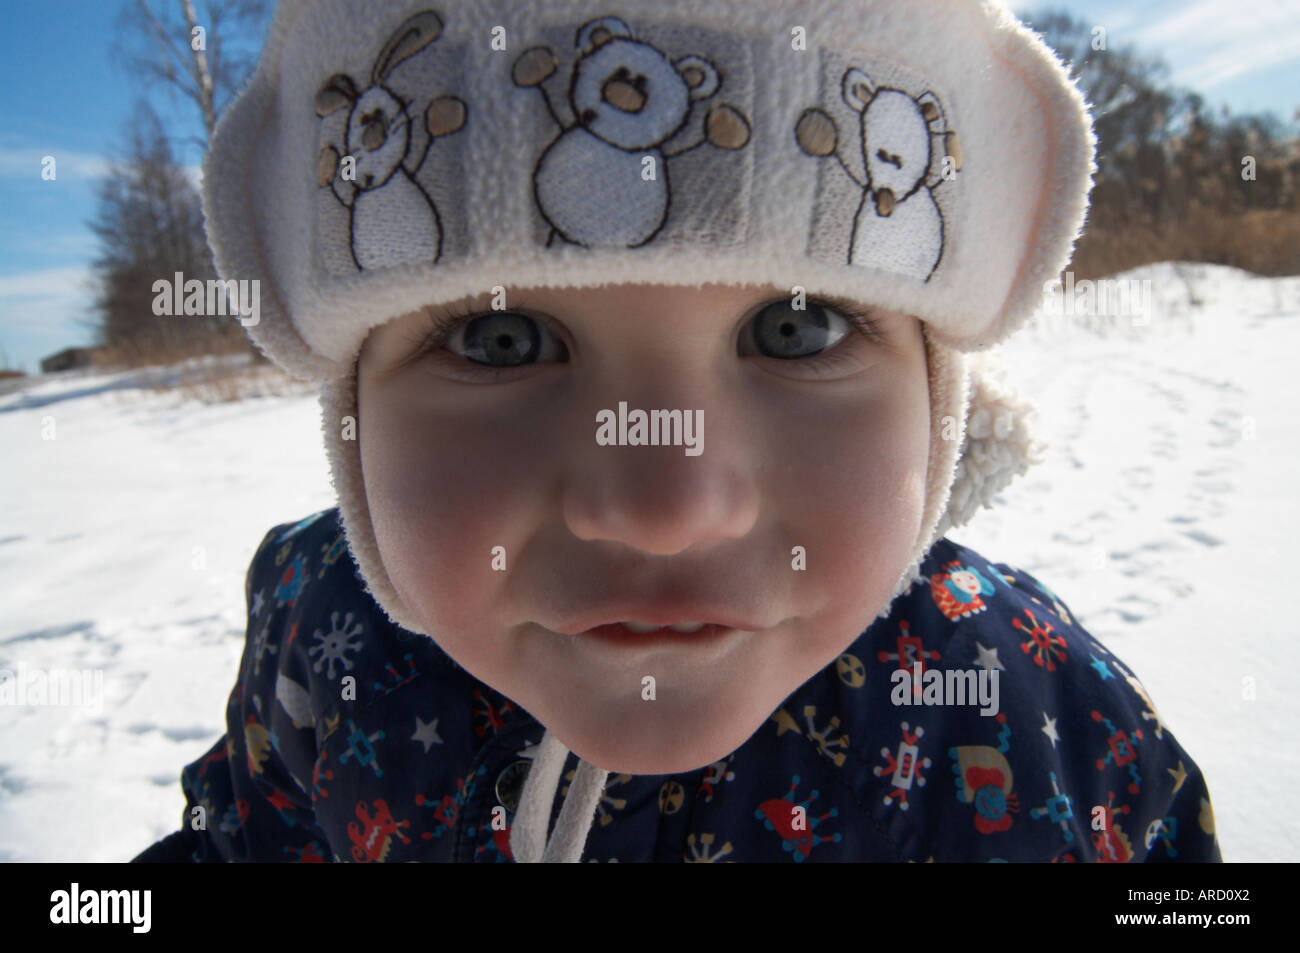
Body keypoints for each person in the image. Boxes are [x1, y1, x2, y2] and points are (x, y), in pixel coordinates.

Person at [132, 0, 1221, 862]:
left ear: (935, 400)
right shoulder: (319, 642)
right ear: (355, 413)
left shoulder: (1016, 700)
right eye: (502, 337)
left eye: (798, 327)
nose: (662, 509)